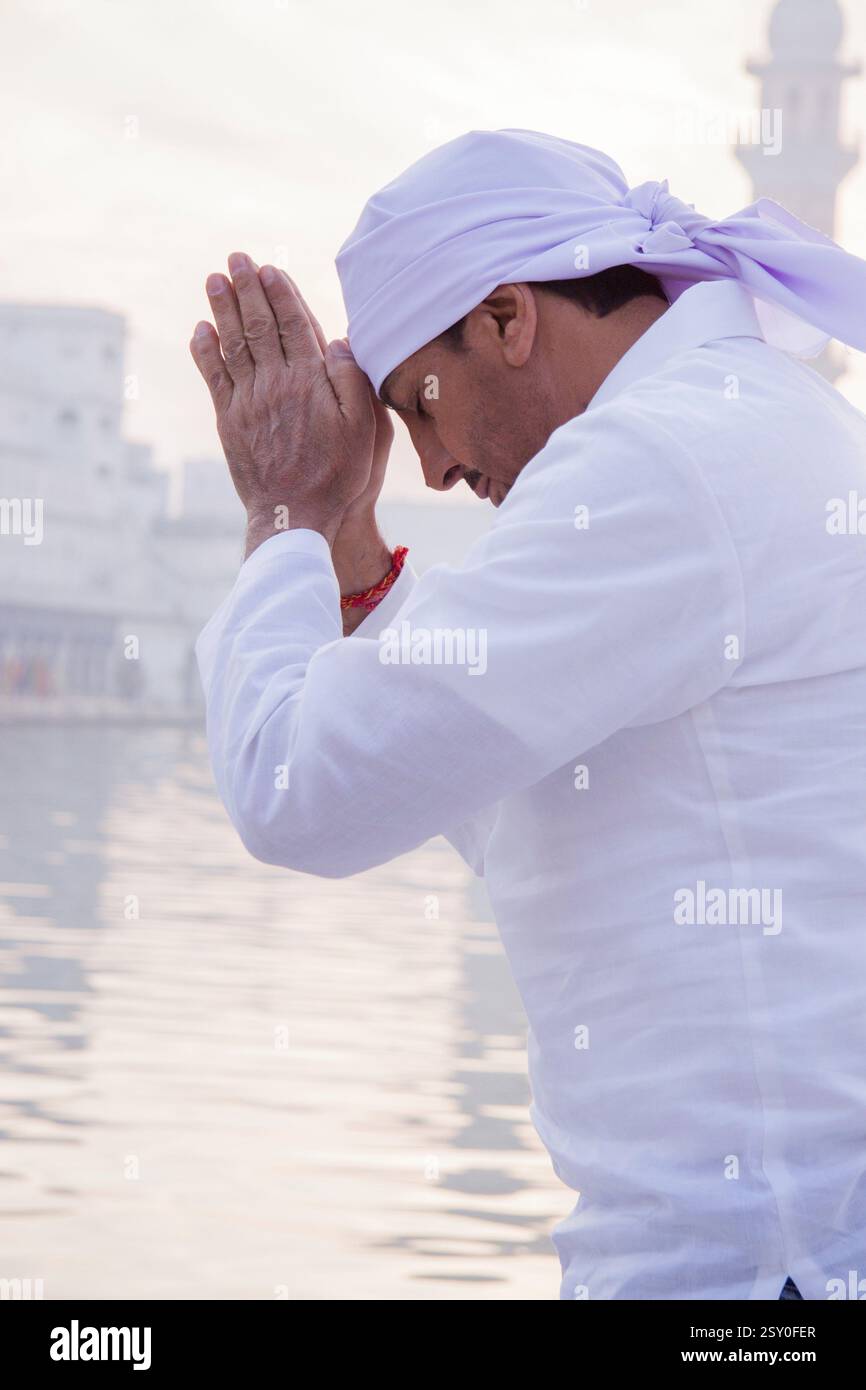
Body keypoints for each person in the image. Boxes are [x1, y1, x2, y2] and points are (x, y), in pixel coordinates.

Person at [190, 129, 866, 1301]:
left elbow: (294, 791)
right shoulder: (747, 418)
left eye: (420, 406)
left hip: (746, 1280)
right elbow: (504, 786)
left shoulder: (657, 464)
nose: (434, 468)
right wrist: (348, 536)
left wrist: (285, 513)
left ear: (507, 321)